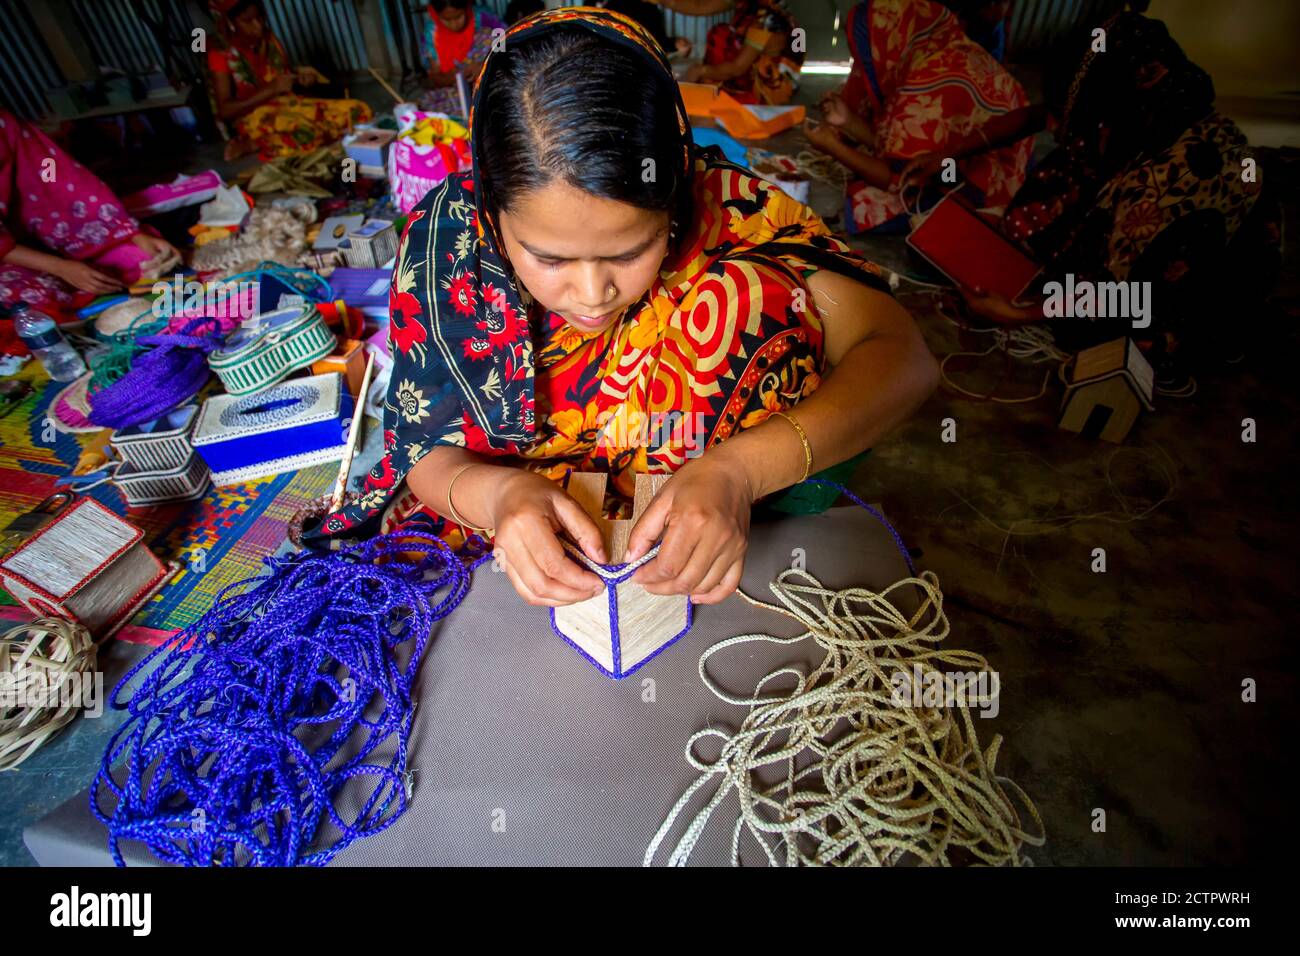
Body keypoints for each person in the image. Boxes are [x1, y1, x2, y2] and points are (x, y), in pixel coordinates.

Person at [306, 7, 938, 608]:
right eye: (548, 258)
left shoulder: (736, 213)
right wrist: (499, 495)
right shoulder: (449, 243)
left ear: (674, 189)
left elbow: (902, 357)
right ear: (493, 209)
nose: (591, 294)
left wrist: (741, 472)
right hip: (525, 504)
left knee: (747, 295)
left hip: (713, 483)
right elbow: (422, 449)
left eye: (630, 251)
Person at [901, 11, 1278, 382]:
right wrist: (948, 155)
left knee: (1096, 336)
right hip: (1150, 244)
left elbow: (1121, 294)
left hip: (1184, 289)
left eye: (1068, 118)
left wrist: (1015, 315)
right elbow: (1040, 116)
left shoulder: (1161, 186)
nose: (1055, 128)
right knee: (1069, 168)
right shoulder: (1157, 108)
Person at [805, 0, 1030, 233]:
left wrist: (832, 146)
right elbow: (900, 149)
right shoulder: (935, 47)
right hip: (974, 165)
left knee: (870, 203)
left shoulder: (928, 76)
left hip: (992, 189)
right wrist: (847, 121)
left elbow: (898, 178)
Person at [0, 110, 177, 357]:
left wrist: (128, 232)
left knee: (141, 258)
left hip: (41, 222)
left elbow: (51, 175)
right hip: (8, 257)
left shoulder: (5, 123)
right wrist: (61, 268)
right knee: (33, 306)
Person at [207, 0, 372, 160]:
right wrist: (271, 90)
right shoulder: (220, 54)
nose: (258, 26)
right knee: (308, 135)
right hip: (253, 118)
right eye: (248, 21)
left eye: (260, 17)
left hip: (288, 105)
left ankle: (325, 132)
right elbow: (225, 110)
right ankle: (253, 144)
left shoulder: (269, 40)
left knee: (359, 110)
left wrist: (302, 81)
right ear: (230, 22)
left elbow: (283, 80)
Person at [667, 0, 804, 105]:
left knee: (721, 37)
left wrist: (700, 71)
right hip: (758, 67)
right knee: (721, 33)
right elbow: (700, 7)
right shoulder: (750, 3)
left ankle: (727, 93)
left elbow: (737, 68)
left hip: (775, 86)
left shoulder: (765, 17)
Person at [417, 0, 507, 115]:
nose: (454, 24)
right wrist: (457, 77)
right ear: (436, 14)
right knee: (427, 102)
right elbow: (435, 78)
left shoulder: (484, 18)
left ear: (466, 8)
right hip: (457, 89)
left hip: (490, 81)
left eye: (458, 17)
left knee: (488, 36)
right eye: (447, 20)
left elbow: (505, 48)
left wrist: (484, 66)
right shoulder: (432, 34)